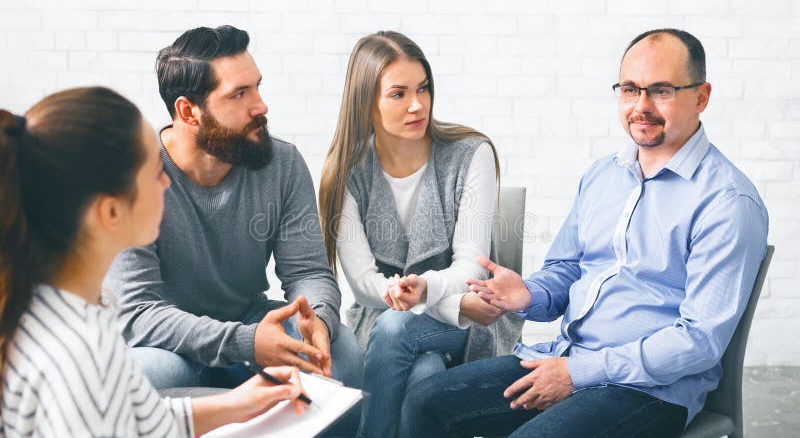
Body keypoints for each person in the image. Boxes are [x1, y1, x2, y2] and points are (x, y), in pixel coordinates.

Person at [401, 28, 769, 438]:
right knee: (426, 401)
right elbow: (567, 268)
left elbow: (699, 341)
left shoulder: (728, 202)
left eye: (661, 91)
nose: (641, 106)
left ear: (701, 96)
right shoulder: (603, 176)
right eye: (630, 89)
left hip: (649, 391)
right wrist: (529, 293)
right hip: (566, 358)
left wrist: (578, 373)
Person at [0, 87, 308, 437]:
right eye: (154, 172)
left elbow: (132, 419)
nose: (167, 182)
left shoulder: (55, 314)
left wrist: (237, 405)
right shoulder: (80, 352)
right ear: (111, 211)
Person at [104, 25, 363, 394]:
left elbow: (308, 272)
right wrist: (247, 341)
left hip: (247, 323)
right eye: (239, 94)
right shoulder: (132, 178)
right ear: (189, 111)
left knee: (343, 354)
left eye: (257, 86)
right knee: (155, 374)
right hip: (165, 343)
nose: (261, 106)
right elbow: (138, 313)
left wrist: (317, 319)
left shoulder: (282, 164)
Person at [318, 30, 523, 437]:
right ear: (366, 104)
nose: (417, 105)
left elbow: (472, 267)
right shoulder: (345, 173)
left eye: (423, 89)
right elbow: (361, 284)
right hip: (382, 320)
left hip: (468, 323)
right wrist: (421, 298)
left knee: (399, 329)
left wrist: (425, 289)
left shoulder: (470, 153)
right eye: (398, 94)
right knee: (422, 368)